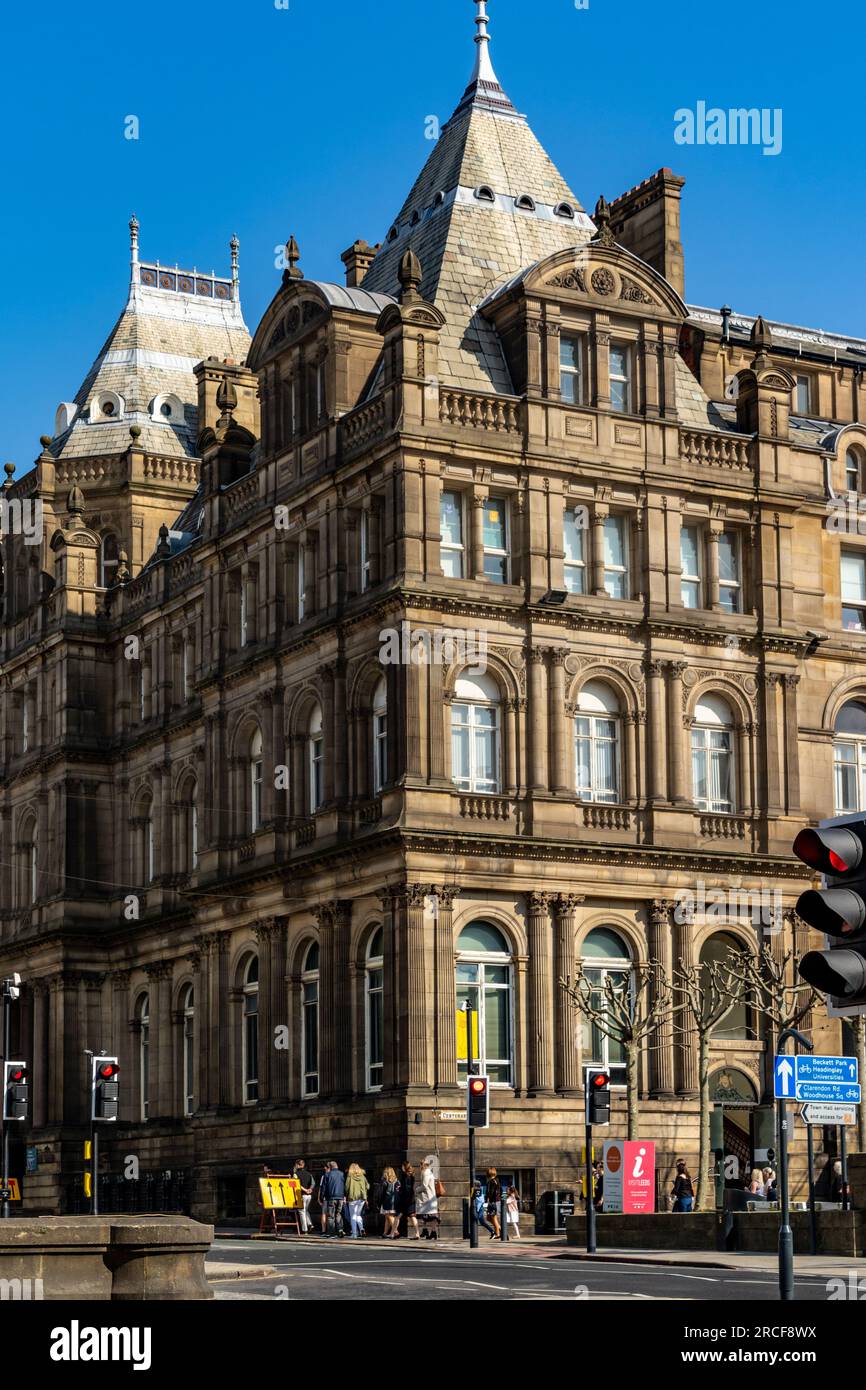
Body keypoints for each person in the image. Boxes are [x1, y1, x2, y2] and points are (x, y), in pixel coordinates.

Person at [417, 1158, 440, 1239]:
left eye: (421, 1164)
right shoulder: (429, 1172)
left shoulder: (426, 1173)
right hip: (430, 1198)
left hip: (427, 1198)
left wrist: (417, 1189)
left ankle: (431, 1231)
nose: (420, 1166)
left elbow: (424, 1186)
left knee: (429, 1216)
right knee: (428, 1216)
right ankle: (429, 1231)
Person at [323, 1160, 346, 1237]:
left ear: (330, 1167)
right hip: (341, 1197)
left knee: (331, 1216)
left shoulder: (327, 1174)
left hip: (331, 1197)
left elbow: (324, 1187)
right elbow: (344, 1185)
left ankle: (331, 1233)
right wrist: (344, 1195)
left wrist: (323, 1196)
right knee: (338, 1214)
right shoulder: (342, 1174)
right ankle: (340, 1229)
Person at [345, 1163, 369, 1238]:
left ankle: (354, 1234)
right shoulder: (363, 1177)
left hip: (353, 1198)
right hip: (362, 1198)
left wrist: (347, 1194)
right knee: (358, 1214)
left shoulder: (350, 1177)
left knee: (353, 1216)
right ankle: (362, 1229)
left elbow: (346, 1187)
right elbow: (368, 1186)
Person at [399, 1162, 420, 1239]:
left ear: (404, 1167)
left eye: (402, 1166)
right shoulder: (412, 1175)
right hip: (411, 1198)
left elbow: (405, 1188)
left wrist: (400, 1190)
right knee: (412, 1216)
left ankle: (393, 1233)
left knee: (398, 1215)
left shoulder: (404, 1176)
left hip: (406, 1199)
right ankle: (417, 1233)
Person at [293, 1159, 314, 1233]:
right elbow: (313, 1183)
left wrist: (305, 1190)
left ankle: (305, 1229)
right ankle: (310, 1224)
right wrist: (310, 1189)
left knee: (301, 1211)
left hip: (302, 1195)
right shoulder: (309, 1174)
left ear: (298, 1165)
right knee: (306, 1210)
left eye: (296, 1165)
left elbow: (296, 1185)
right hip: (309, 1196)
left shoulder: (296, 1174)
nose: (295, 1166)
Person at [380, 1166, 401, 1237]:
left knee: (388, 1216)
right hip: (396, 1201)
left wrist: (379, 1202)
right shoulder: (397, 1181)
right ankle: (385, 1233)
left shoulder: (385, 1182)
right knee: (387, 1218)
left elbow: (382, 1193)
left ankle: (396, 1231)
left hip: (388, 1201)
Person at [485, 1167, 502, 1238]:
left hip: (493, 1202)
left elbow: (490, 1192)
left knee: (493, 1217)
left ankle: (498, 1234)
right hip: (496, 1201)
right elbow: (501, 1191)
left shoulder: (491, 1182)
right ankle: (499, 1228)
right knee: (488, 1218)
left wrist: (487, 1200)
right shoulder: (497, 1180)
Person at [318, 1162, 331, 1235]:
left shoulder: (324, 1176)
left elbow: (321, 1188)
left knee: (324, 1214)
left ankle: (324, 1230)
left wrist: (319, 1198)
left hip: (326, 1198)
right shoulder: (335, 1176)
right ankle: (330, 1230)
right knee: (330, 1214)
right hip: (333, 1197)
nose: (324, 1168)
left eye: (326, 1167)